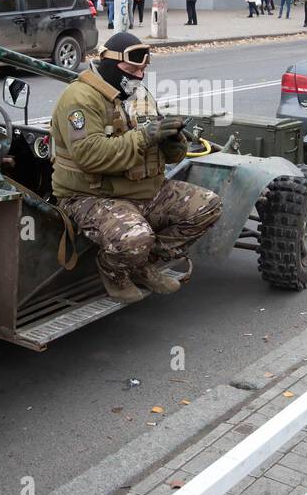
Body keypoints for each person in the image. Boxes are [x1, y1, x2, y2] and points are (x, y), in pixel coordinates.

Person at [50, 32, 223, 303]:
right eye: (132, 69)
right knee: (134, 238)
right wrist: (146, 136)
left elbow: (169, 155)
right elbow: (89, 155)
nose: (139, 76)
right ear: (107, 63)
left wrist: (172, 141)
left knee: (207, 206)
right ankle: (113, 269)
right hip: (92, 195)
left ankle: (142, 264)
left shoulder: (138, 93)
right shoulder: (80, 98)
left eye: (143, 69)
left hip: (144, 190)